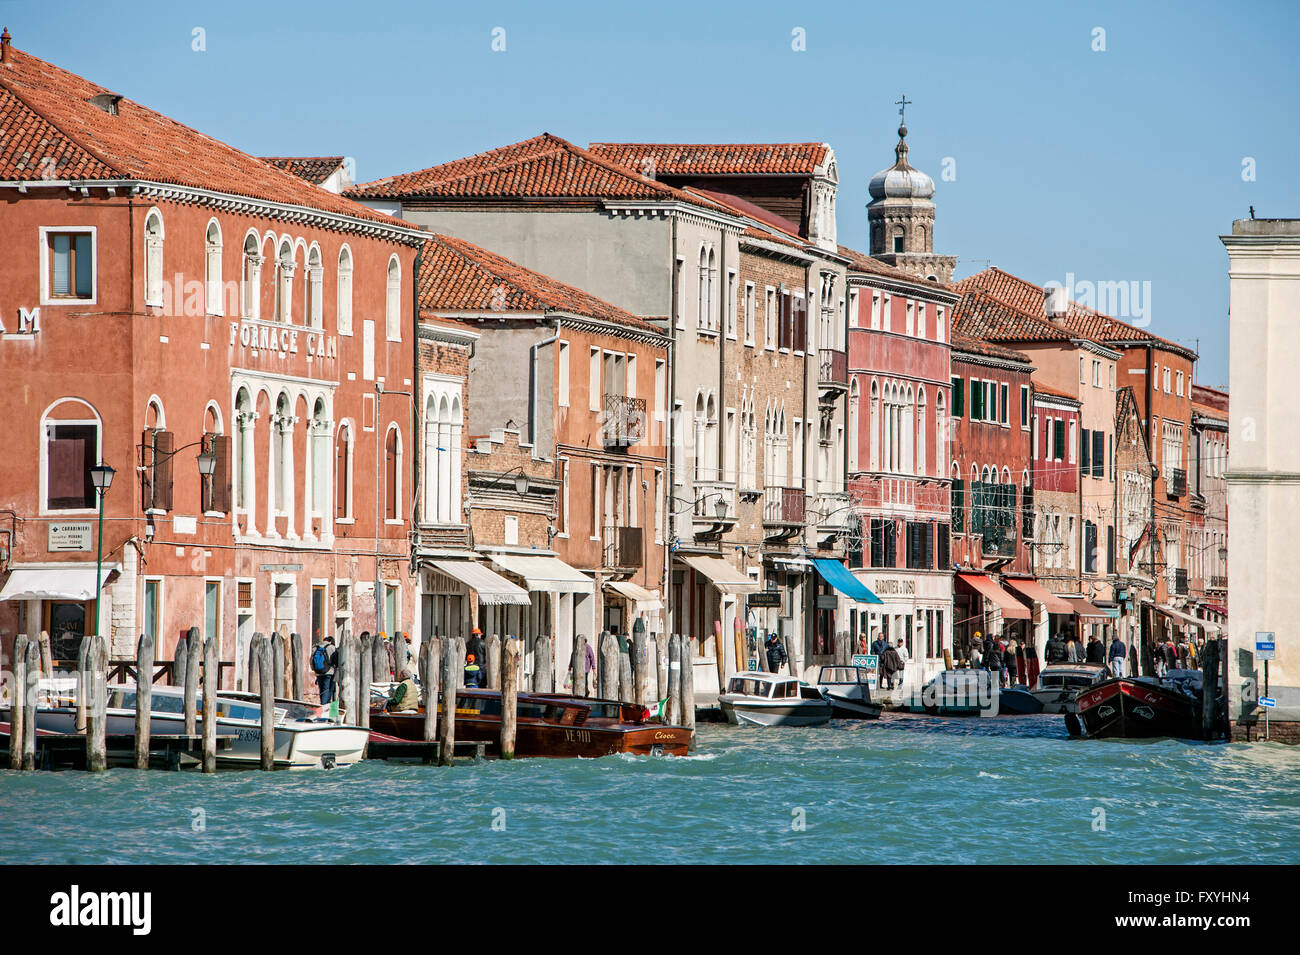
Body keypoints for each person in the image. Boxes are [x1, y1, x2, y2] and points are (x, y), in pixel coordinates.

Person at [311, 636, 337, 704]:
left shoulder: (315, 647)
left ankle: (323, 703)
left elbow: (311, 660)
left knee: (321, 689)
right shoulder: (331, 647)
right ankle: (324, 705)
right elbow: (335, 660)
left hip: (318, 672)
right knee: (327, 689)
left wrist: (314, 669)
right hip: (329, 671)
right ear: (330, 641)